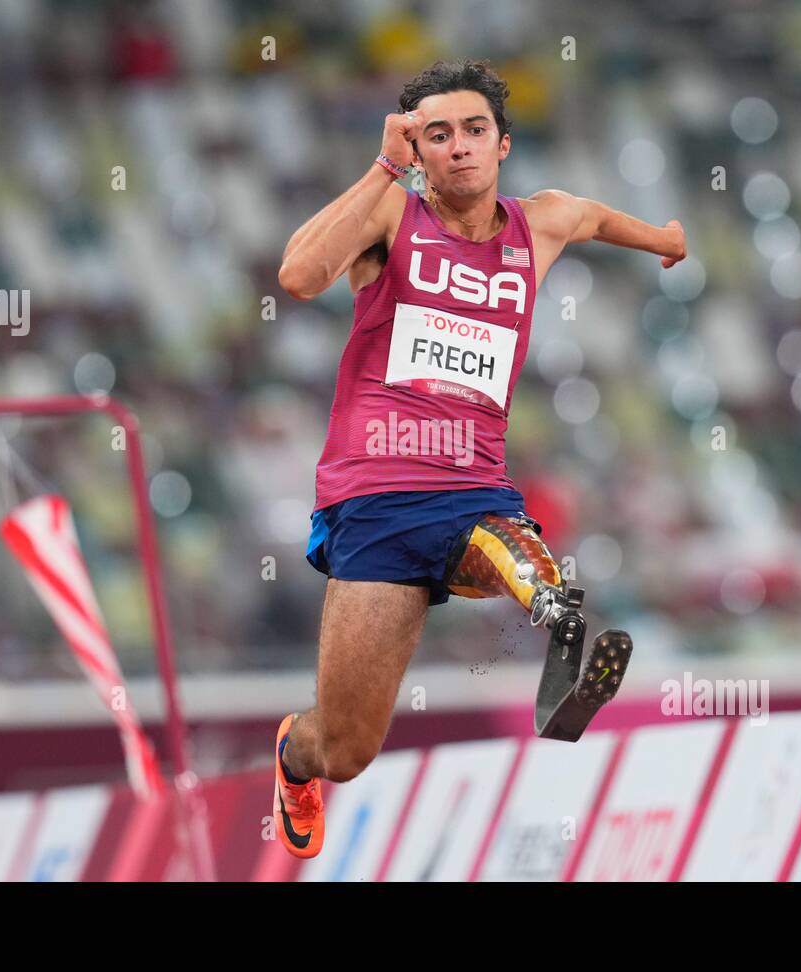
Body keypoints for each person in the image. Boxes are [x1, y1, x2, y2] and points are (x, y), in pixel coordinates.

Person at [273, 58, 686, 859]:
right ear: (416, 150)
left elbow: (597, 218)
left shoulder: (545, 223)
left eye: (473, 131)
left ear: (502, 144)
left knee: (499, 526)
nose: (457, 147)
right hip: (376, 496)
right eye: (437, 135)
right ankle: (294, 754)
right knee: (348, 752)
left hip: (471, 482)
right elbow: (296, 276)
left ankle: (558, 618)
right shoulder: (391, 214)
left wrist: (664, 240)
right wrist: (383, 167)